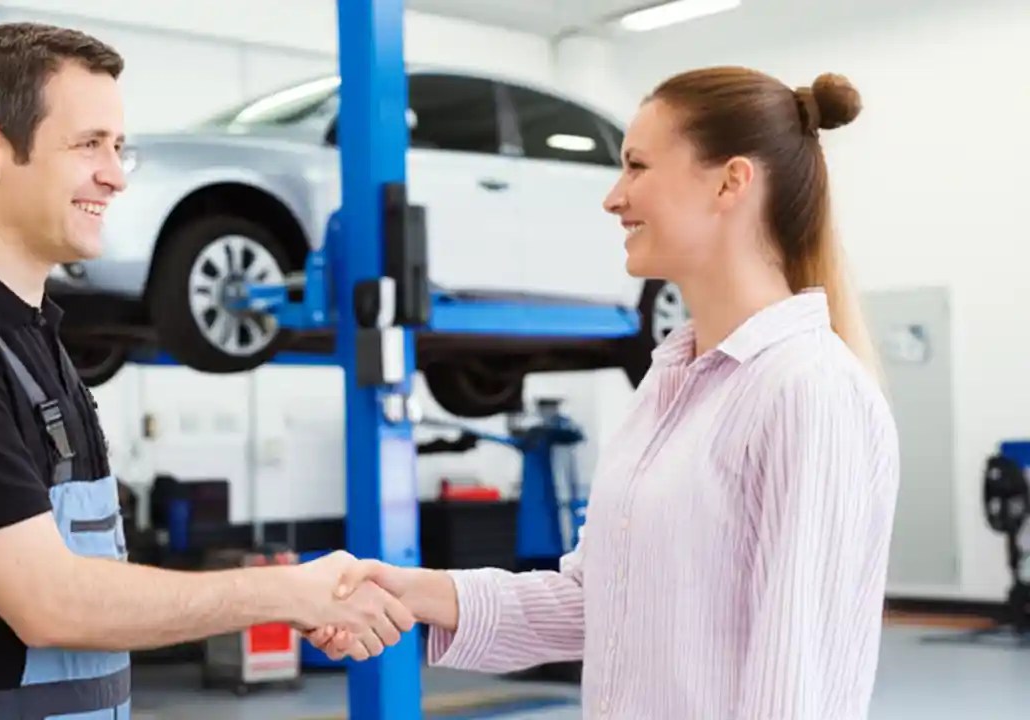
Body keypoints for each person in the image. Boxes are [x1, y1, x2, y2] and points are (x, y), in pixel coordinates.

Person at [0, 22, 410, 719]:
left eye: (119, 147)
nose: (116, 174)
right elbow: (51, 604)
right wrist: (285, 593)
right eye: (88, 144)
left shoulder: (32, 337)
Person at [308, 66, 901, 720]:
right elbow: (598, 605)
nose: (613, 198)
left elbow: (794, 686)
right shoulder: (671, 383)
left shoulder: (806, 389)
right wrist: (415, 592)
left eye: (637, 166)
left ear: (731, 181)